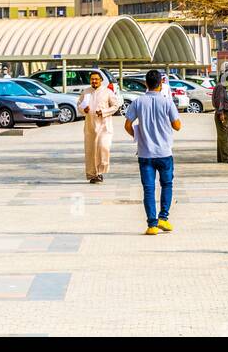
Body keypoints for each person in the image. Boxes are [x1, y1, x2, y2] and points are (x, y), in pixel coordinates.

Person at [124, 68, 181, 236]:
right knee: (167, 185)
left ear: (146, 83)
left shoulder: (138, 102)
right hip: (164, 152)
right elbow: (177, 126)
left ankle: (152, 225)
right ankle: (163, 217)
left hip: (145, 153)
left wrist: (138, 135)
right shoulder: (167, 102)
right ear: (161, 83)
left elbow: (127, 125)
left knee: (148, 189)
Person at [78, 69, 121, 184]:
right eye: (92, 79)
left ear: (101, 80)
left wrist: (104, 112)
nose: (94, 81)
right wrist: (84, 109)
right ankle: (93, 175)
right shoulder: (86, 92)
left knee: (103, 147)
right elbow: (79, 105)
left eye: (96, 79)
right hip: (90, 126)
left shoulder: (107, 92)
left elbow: (116, 106)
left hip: (104, 126)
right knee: (90, 151)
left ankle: (100, 171)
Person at [212, 73, 228, 163]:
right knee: (223, 136)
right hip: (223, 113)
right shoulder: (220, 87)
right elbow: (220, 101)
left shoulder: (219, 87)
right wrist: (221, 113)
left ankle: (221, 157)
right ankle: (225, 157)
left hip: (222, 112)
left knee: (221, 137)